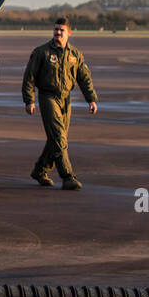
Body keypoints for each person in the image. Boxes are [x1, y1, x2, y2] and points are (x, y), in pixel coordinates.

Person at [21, 17, 98, 190]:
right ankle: (68, 176)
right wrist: (29, 100)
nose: (58, 33)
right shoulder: (41, 52)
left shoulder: (75, 55)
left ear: (69, 33)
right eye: (56, 29)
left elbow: (84, 78)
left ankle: (40, 170)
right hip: (48, 97)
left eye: (61, 30)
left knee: (56, 138)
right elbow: (29, 77)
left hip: (65, 99)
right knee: (59, 137)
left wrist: (91, 99)